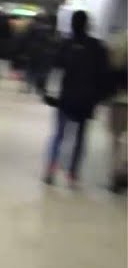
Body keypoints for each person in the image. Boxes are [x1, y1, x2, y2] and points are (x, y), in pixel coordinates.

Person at [43, 10, 110, 188]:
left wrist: (50, 92)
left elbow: (56, 69)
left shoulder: (66, 44)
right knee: (80, 138)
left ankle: (51, 169)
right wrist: (99, 98)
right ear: (87, 25)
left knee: (59, 135)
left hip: (66, 97)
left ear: (72, 24)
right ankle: (72, 174)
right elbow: (103, 75)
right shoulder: (97, 47)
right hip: (86, 100)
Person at [106, 28, 128, 194]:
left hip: (120, 99)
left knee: (117, 138)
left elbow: (111, 68)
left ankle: (117, 174)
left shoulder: (120, 40)